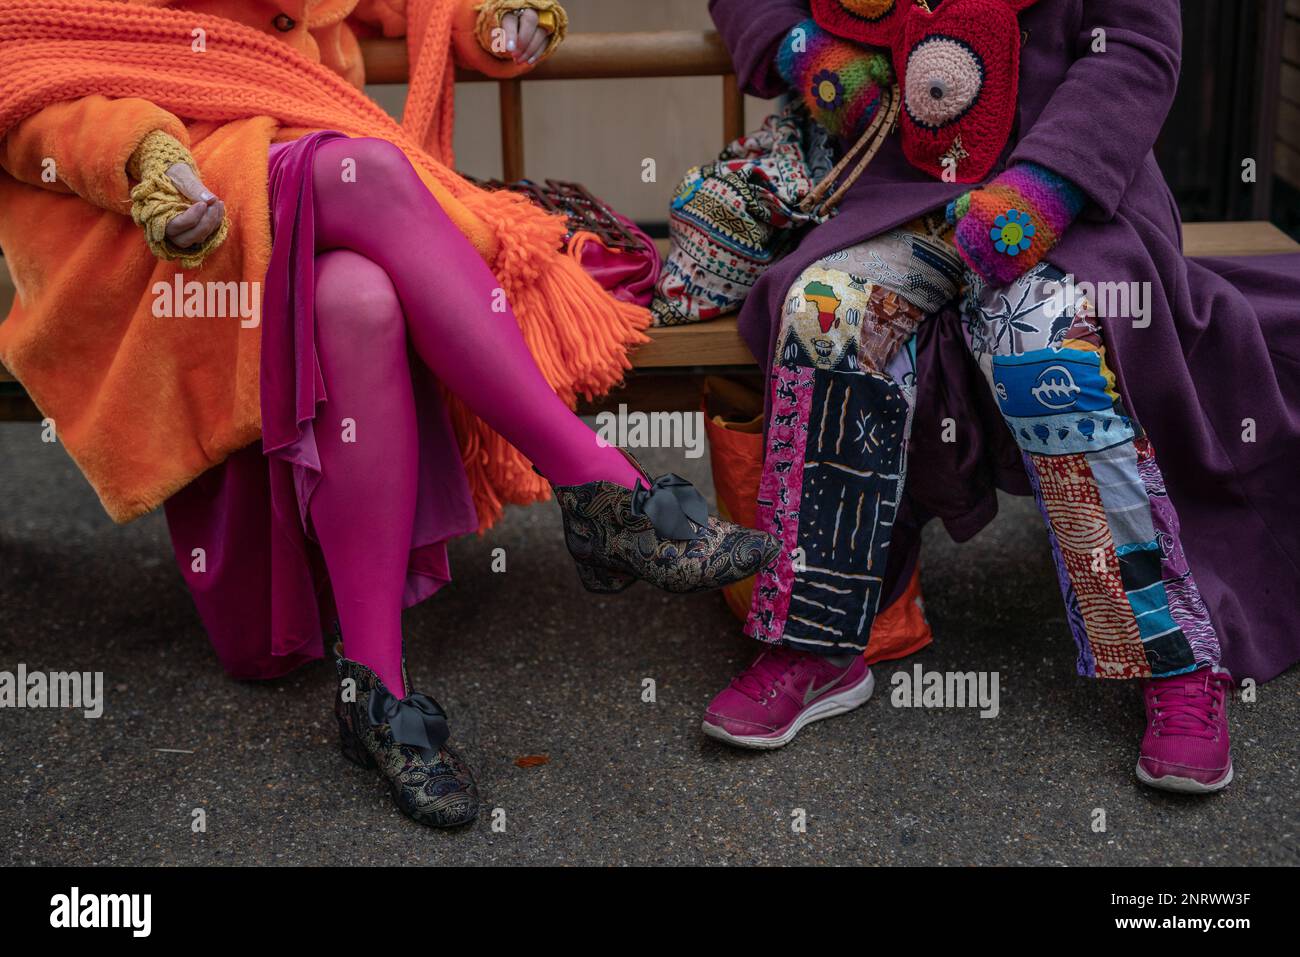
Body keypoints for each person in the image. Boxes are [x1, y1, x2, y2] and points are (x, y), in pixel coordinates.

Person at [0, 0, 778, 828]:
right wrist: (146, 161)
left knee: (361, 303)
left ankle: (373, 694)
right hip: (169, 218)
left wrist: (489, 22)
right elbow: (31, 66)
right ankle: (601, 489)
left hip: (300, 173)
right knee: (371, 170)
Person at [702, 0, 1300, 794]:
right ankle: (816, 640)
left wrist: (1047, 185)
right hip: (898, 192)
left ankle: (1172, 656)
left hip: (1081, 197)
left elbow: (1137, 46)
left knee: (1044, 342)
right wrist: (803, 50)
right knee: (831, 314)